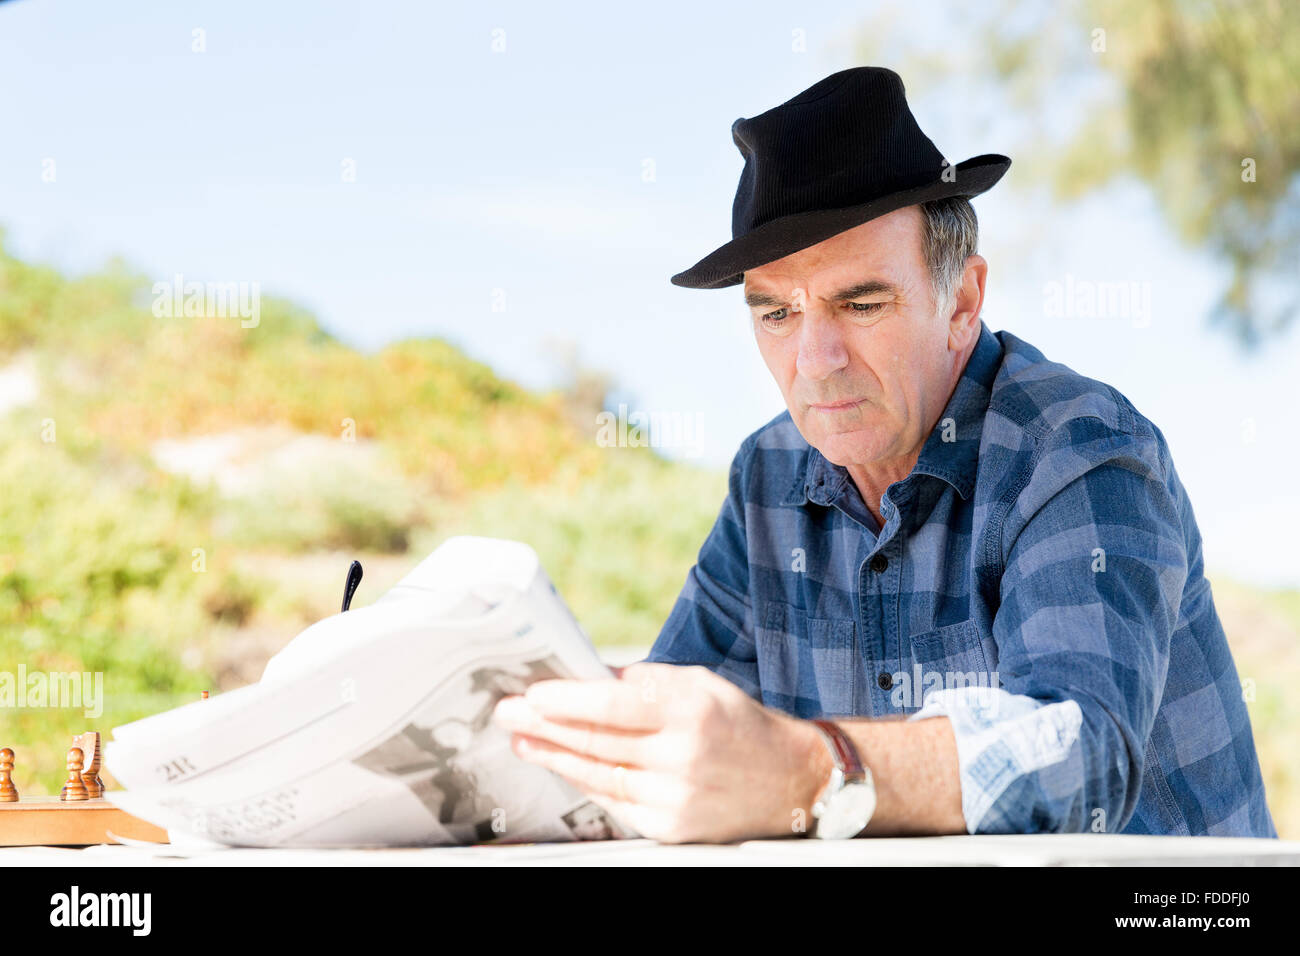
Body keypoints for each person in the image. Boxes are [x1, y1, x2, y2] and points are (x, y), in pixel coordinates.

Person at [493, 67, 1275, 843]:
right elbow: (670, 731)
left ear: (961, 303)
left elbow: (1082, 754)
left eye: (861, 303)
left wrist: (809, 771)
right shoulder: (767, 477)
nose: (814, 358)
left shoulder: (1078, 448)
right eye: (775, 312)